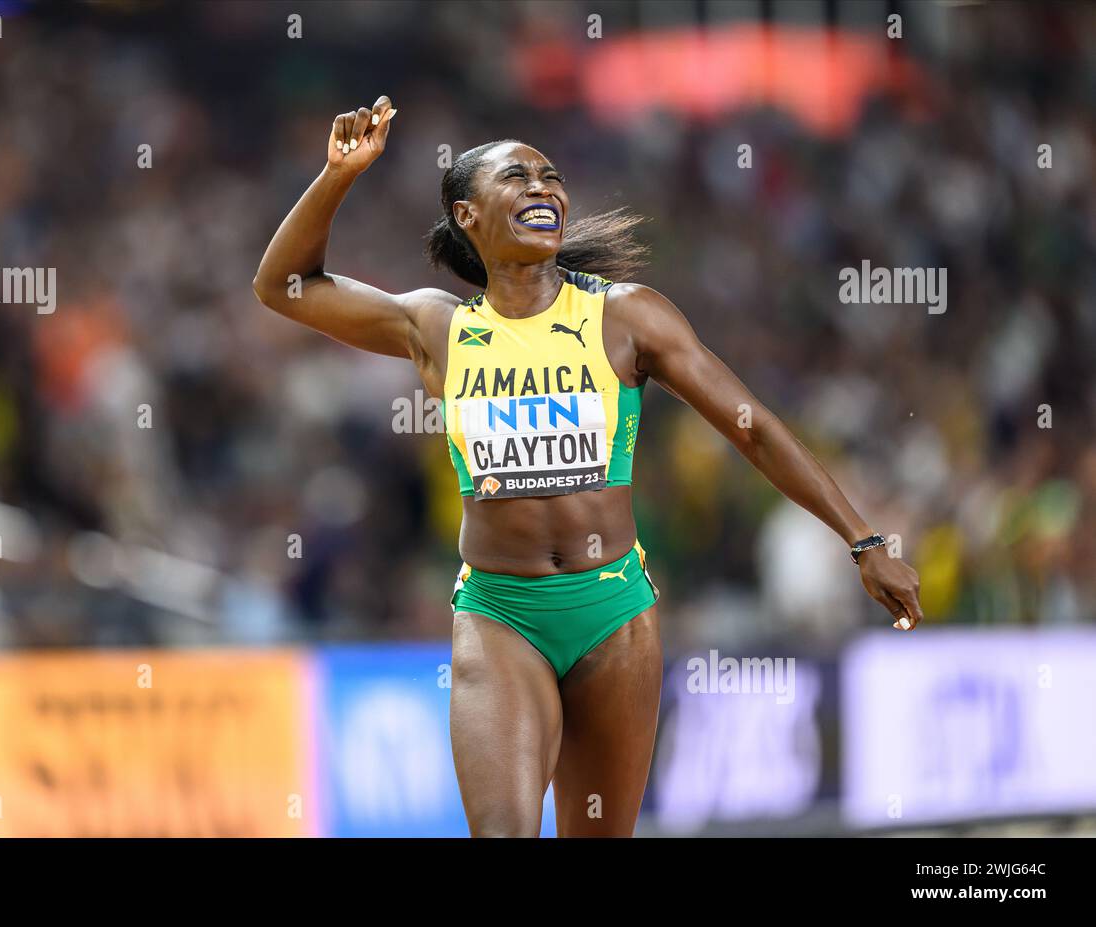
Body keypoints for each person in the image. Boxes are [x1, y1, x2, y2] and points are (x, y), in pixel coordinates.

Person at [252, 95, 924, 837]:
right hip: (500, 614)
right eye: (518, 177)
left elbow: (754, 428)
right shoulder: (438, 326)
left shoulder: (626, 316)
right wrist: (339, 174)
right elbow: (283, 285)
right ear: (468, 216)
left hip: (613, 616)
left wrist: (864, 540)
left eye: (551, 176)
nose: (543, 187)